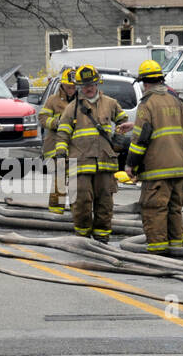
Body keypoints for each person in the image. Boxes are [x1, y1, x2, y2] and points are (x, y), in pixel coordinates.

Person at [53, 64, 130, 242]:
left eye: (91, 84)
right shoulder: (71, 109)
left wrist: (119, 136)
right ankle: (83, 237)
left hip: (105, 162)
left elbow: (123, 122)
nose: (88, 88)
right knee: (81, 203)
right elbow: (63, 133)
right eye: (84, 86)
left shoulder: (110, 104)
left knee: (105, 203)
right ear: (79, 87)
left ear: (97, 84)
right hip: (79, 163)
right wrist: (61, 153)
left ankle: (102, 238)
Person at [126, 60, 183, 253]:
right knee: (174, 210)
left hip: (157, 170)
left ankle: (157, 254)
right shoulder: (176, 101)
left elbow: (140, 140)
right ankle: (177, 251)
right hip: (179, 168)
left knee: (154, 210)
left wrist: (131, 166)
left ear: (144, 83)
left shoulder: (147, 104)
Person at [40, 68, 77, 213]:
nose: (72, 90)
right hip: (57, 148)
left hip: (75, 148)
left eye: (74, 87)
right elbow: (42, 119)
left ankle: (76, 211)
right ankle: (56, 211)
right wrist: (58, 123)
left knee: (76, 181)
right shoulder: (53, 101)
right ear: (62, 85)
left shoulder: (82, 101)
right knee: (59, 180)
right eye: (69, 87)